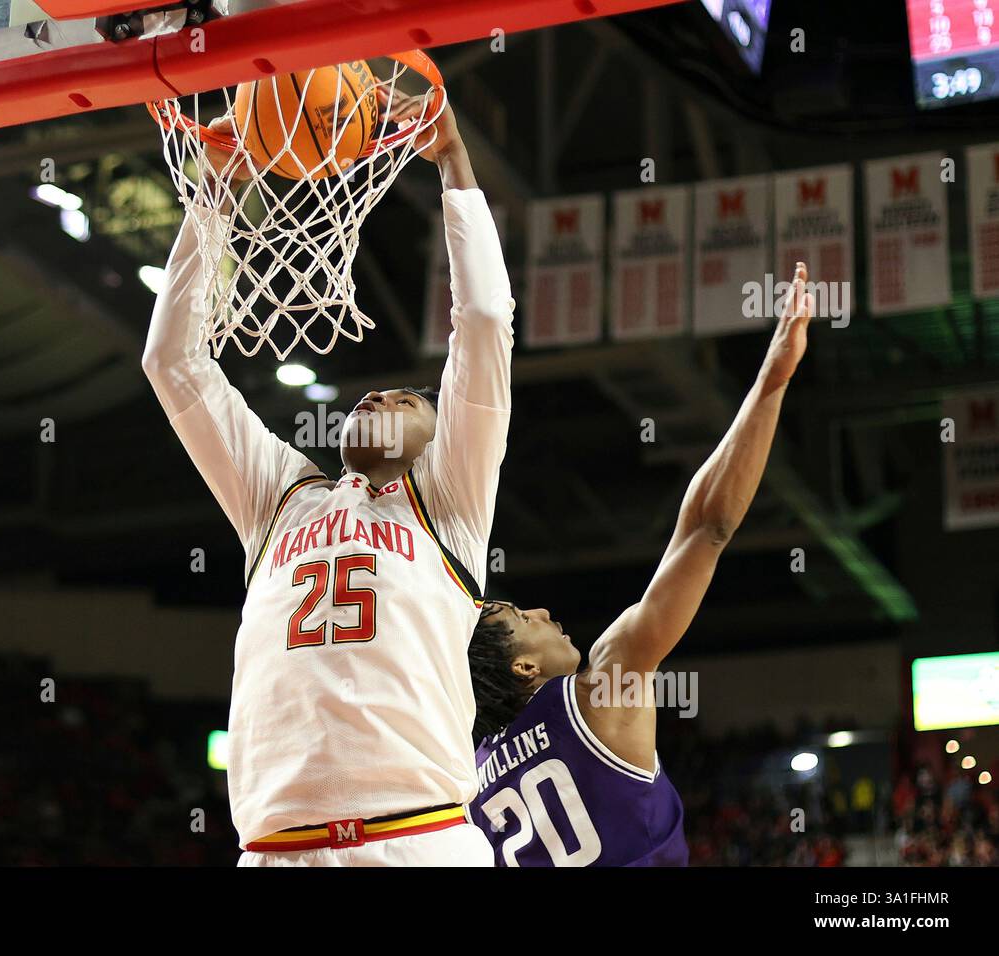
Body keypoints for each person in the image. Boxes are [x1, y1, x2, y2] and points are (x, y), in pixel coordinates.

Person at [142, 89, 514, 865]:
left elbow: (481, 324)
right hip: (276, 849)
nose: (378, 395)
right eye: (373, 392)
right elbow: (173, 363)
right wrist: (213, 194)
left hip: (420, 839)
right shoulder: (279, 497)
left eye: (409, 399)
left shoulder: (447, 504)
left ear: (439, 439)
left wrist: (455, 165)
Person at [467, 264, 815, 866]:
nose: (544, 611)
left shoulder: (462, 783)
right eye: (524, 616)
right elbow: (707, 528)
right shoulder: (601, 686)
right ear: (523, 665)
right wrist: (772, 381)